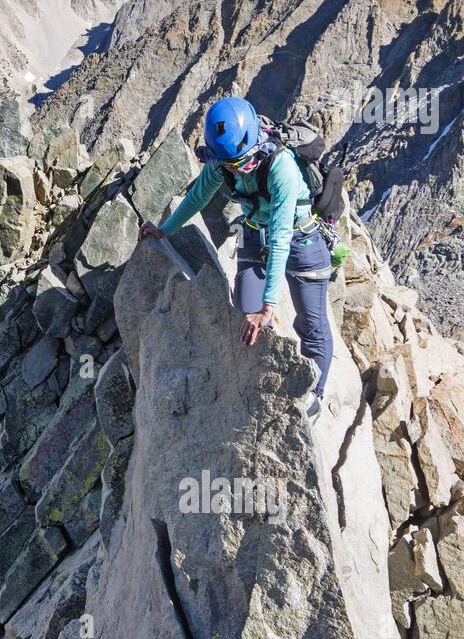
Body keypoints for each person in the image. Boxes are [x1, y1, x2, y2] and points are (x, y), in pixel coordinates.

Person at [139, 97, 333, 415]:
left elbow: (282, 235)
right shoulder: (223, 162)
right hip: (255, 232)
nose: (237, 169)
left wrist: (269, 306)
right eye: (230, 164)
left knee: (311, 324)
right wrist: (165, 229)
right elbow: (198, 195)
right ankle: (274, 367)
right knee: (246, 305)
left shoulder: (281, 167)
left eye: (241, 161)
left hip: (300, 238)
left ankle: (316, 399)